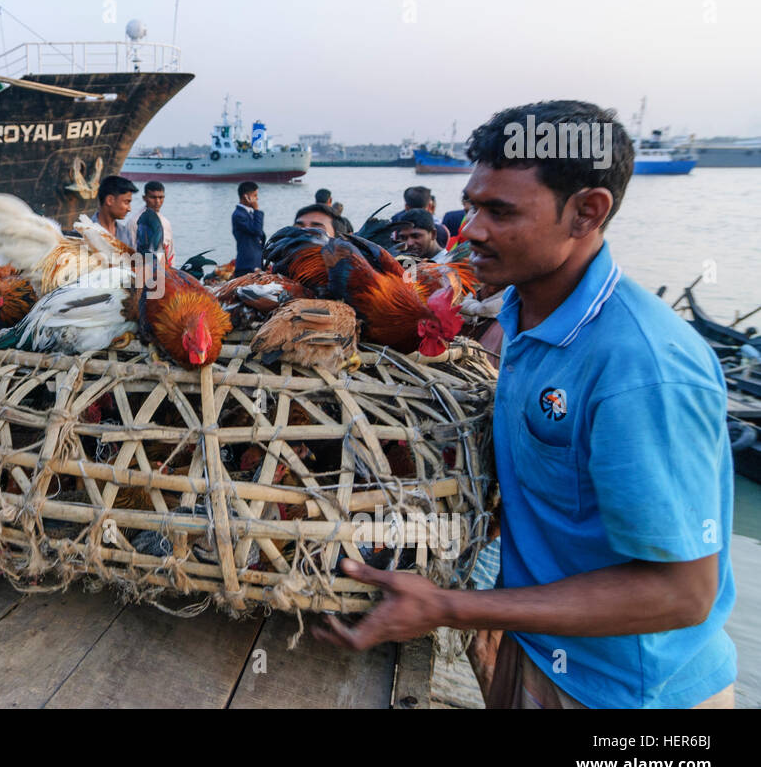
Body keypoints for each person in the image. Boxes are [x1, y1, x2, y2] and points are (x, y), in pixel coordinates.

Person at [313, 100, 736, 710]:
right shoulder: (523, 316)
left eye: (500, 211)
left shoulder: (642, 369)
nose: (470, 229)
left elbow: (681, 594)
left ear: (587, 212)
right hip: (537, 649)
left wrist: (451, 607)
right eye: (474, 203)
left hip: (634, 696)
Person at [124, 180, 174, 264]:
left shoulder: (166, 223)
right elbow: (129, 252)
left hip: (164, 271)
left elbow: (170, 253)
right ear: (144, 198)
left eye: (161, 197)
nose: (157, 201)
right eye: (153, 197)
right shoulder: (134, 222)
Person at [231, 180, 264, 277]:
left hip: (255, 262)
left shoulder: (248, 213)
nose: (257, 198)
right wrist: (257, 210)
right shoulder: (239, 215)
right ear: (246, 196)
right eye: (255, 195)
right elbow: (257, 230)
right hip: (247, 264)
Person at [95, 175, 138, 245]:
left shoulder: (125, 233)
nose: (129, 209)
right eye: (126, 202)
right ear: (110, 200)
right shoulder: (82, 233)